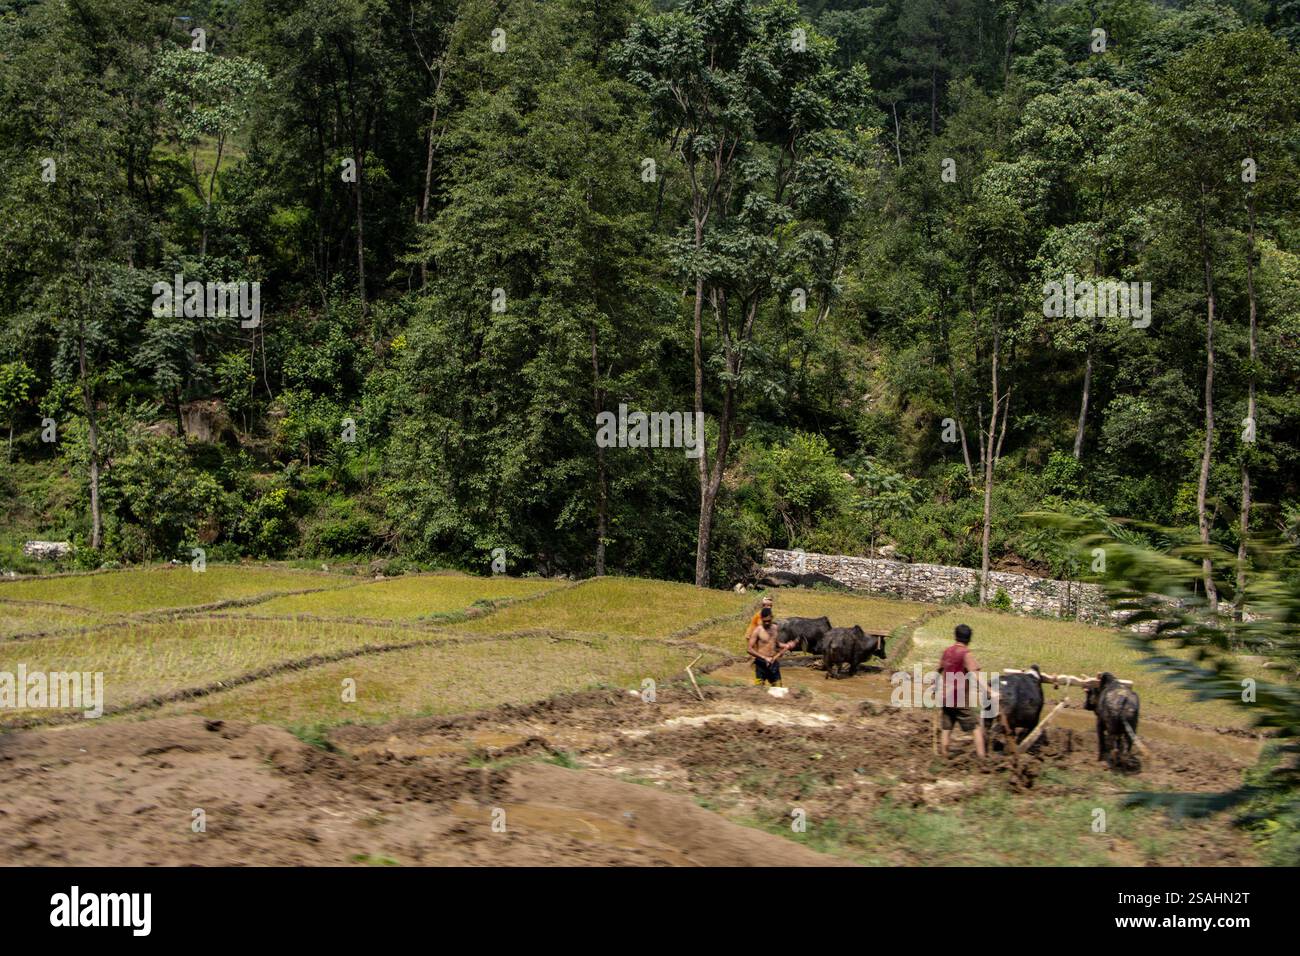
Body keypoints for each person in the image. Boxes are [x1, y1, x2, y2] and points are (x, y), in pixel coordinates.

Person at [939, 623, 986, 758]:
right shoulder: (965, 653)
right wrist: (989, 690)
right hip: (959, 697)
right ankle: (982, 758)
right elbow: (976, 674)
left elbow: (939, 669)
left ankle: (944, 755)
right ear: (969, 639)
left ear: (956, 636)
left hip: (946, 696)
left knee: (947, 728)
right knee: (975, 727)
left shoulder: (947, 651)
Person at [747, 606, 789, 687]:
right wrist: (764, 658)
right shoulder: (758, 630)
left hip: (773, 663)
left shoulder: (775, 628)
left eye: (769, 621)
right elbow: (749, 649)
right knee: (759, 690)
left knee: (778, 689)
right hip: (761, 664)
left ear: (772, 618)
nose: (767, 623)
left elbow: (776, 644)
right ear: (761, 619)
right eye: (765, 621)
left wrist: (786, 645)